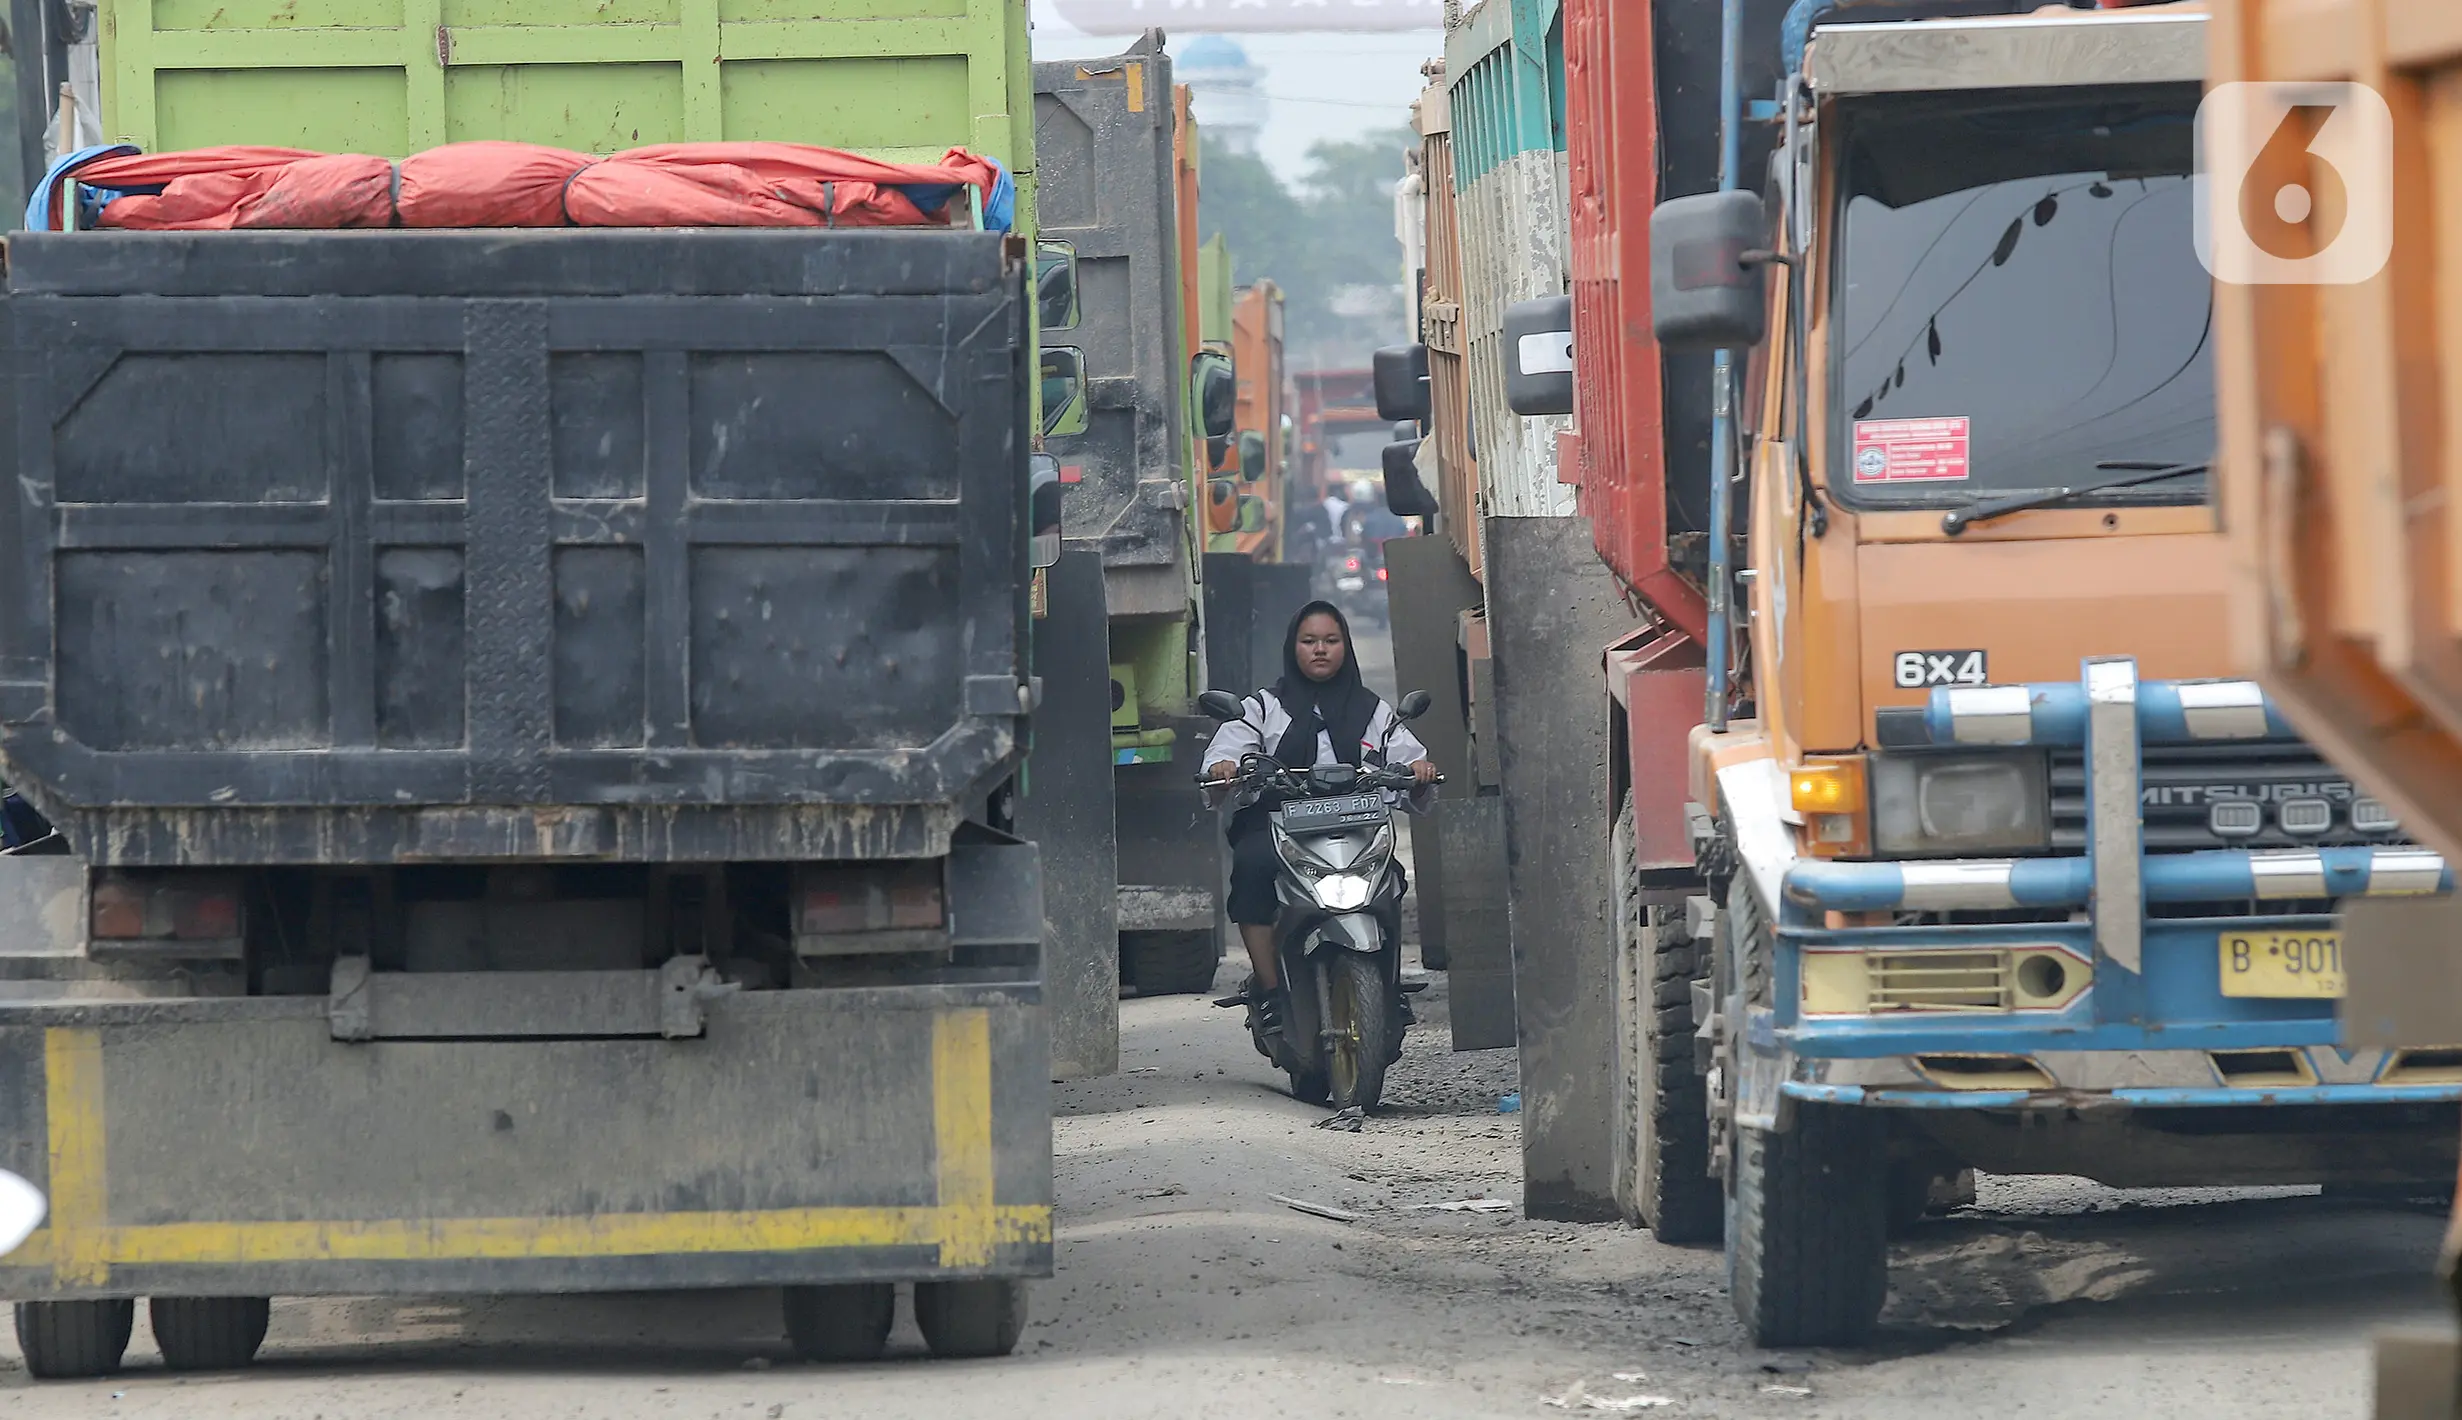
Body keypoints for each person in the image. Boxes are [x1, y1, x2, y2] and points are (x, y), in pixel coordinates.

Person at [1202, 602, 1438, 1035]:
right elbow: (1227, 749)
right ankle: (1272, 994)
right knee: (1252, 872)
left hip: (1356, 824)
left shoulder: (1375, 711)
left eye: (1331, 641)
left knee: (1390, 880)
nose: (1320, 650)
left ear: (1345, 647)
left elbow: (1407, 755)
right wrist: (1223, 767)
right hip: (1277, 823)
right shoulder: (1262, 707)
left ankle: (1388, 982)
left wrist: (1420, 771)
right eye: (1309, 641)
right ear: (1293, 647)